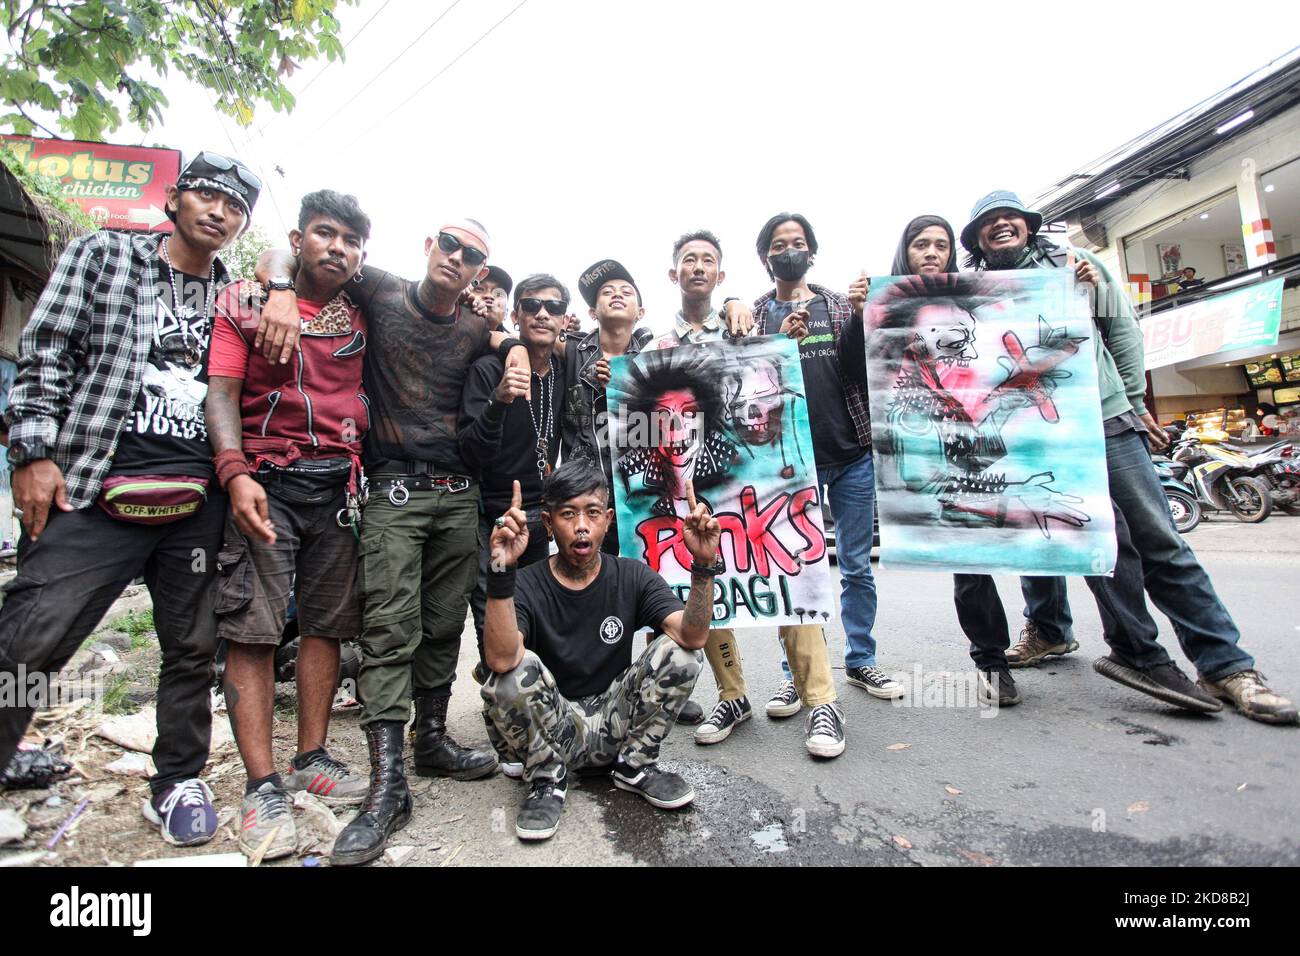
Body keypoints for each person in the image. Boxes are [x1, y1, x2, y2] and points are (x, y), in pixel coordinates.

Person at [958, 190, 1296, 725]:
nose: (1001, 225)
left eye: (1010, 217)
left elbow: (1122, 331)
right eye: (987, 222)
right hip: (1033, 436)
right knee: (1051, 538)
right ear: (976, 238)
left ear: (1027, 225)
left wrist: (1135, 404)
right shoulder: (974, 290)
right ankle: (1056, 633)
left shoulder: (1077, 265)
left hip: (1106, 418)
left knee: (1157, 540)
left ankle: (1227, 666)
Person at [0, 151, 260, 847]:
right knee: (30, 636)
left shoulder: (239, 298)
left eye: (235, 207)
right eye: (207, 195)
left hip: (195, 500)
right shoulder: (104, 255)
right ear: (174, 198)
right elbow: (46, 347)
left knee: (191, 646)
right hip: (91, 483)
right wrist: (33, 452)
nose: (219, 212)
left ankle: (176, 779)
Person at [255, 218, 532, 865]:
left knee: (440, 627)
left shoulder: (472, 328)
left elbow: (500, 334)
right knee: (387, 631)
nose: (459, 259)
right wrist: (272, 284)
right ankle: (388, 783)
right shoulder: (378, 289)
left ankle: (430, 742)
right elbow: (289, 252)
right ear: (430, 246)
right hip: (394, 493)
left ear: (478, 275)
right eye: (452, 245)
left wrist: (512, 342)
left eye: (474, 257)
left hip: (459, 493)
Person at [847, 216, 1076, 708]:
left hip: (990, 473)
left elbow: (986, 441)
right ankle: (991, 661)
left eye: (941, 245)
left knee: (1038, 546)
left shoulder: (965, 374)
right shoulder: (908, 398)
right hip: (956, 495)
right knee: (971, 569)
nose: (931, 252)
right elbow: (923, 478)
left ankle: (1051, 629)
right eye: (920, 244)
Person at [205, 189, 372, 859]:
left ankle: (310, 756)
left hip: (339, 490)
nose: (338, 248)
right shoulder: (245, 300)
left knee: (326, 627)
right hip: (264, 487)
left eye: (352, 240)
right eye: (325, 234)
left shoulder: (360, 310)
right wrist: (233, 470)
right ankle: (262, 784)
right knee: (252, 629)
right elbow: (220, 392)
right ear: (299, 238)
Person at [480, 462, 715, 841]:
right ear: (548, 522)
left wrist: (703, 565)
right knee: (511, 674)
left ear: (607, 520)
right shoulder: (525, 583)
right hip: (557, 728)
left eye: (591, 512)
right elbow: (502, 660)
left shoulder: (632, 575)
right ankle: (547, 779)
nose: (581, 526)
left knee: (683, 654)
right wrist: (501, 571)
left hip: (614, 722)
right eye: (568, 514)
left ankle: (634, 765)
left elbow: (693, 636)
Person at [460, 273, 569, 697]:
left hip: (540, 512)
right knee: (494, 614)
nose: (543, 313)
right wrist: (500, 400)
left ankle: (534, 704)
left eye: (553, 307)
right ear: (517, 314)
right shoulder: (489, 369)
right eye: (532, 305)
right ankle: (503, 716)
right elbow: (470, 450)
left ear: (564, 318)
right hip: (489, 512)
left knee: (536, 612)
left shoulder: (565, 368)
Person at [477, 264, 513, 331]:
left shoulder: (514, 341)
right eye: (479, 289)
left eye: (498, 294)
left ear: (506, 313)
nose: (489, 296)